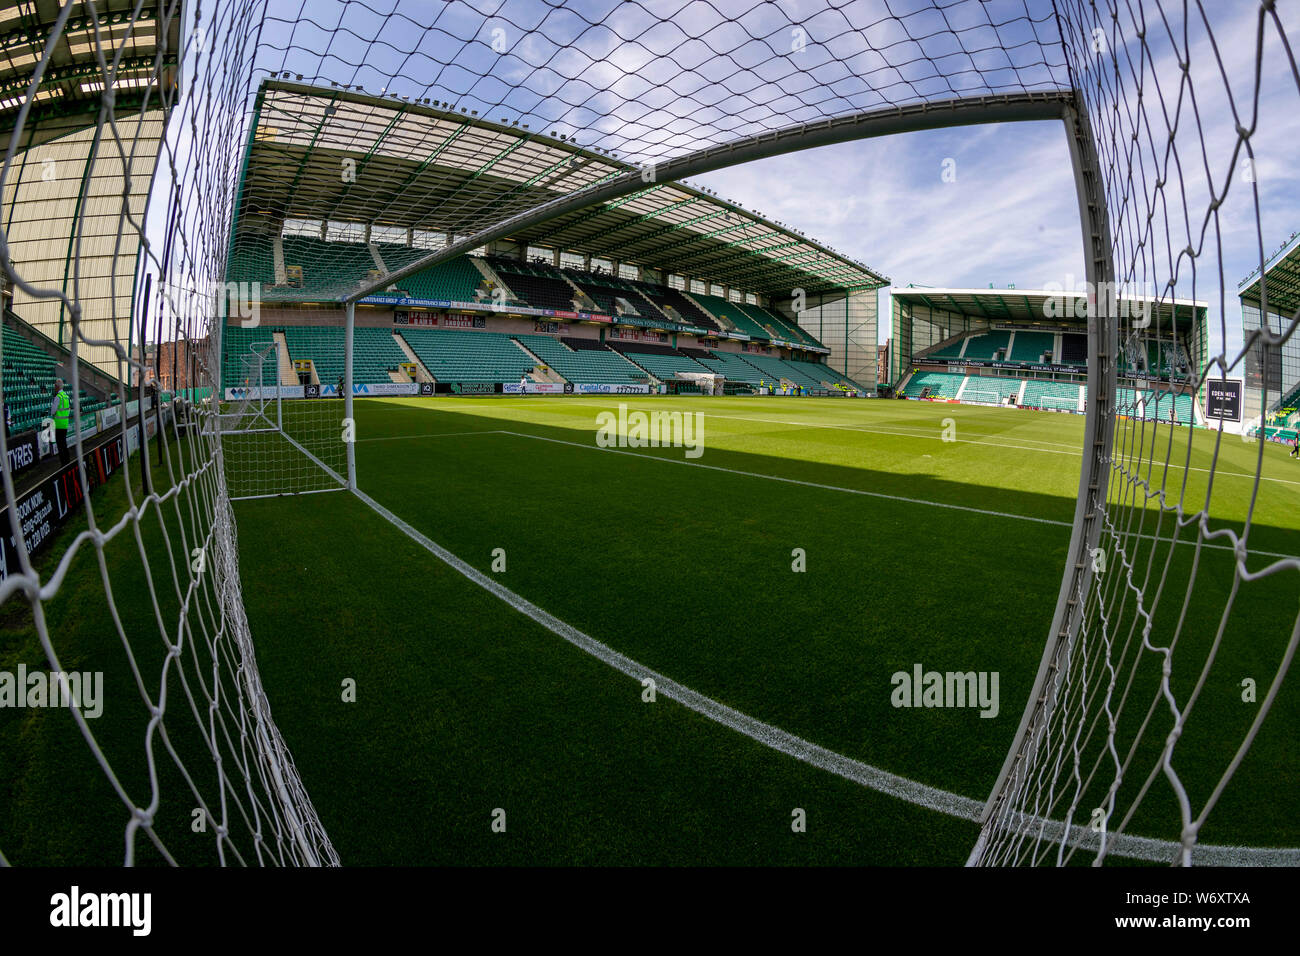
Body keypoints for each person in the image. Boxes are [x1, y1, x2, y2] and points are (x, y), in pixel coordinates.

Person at [50, 379, 71, 464]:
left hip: (58, 424)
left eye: (55, 386)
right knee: (64, 444)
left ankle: (63, 464)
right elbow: (69, 409)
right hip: (65, 423)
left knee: (60, 445)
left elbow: (53, 411)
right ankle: (67, 461)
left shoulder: (58, 397)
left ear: (57, 386)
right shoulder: (66, 396)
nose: (54, 387)